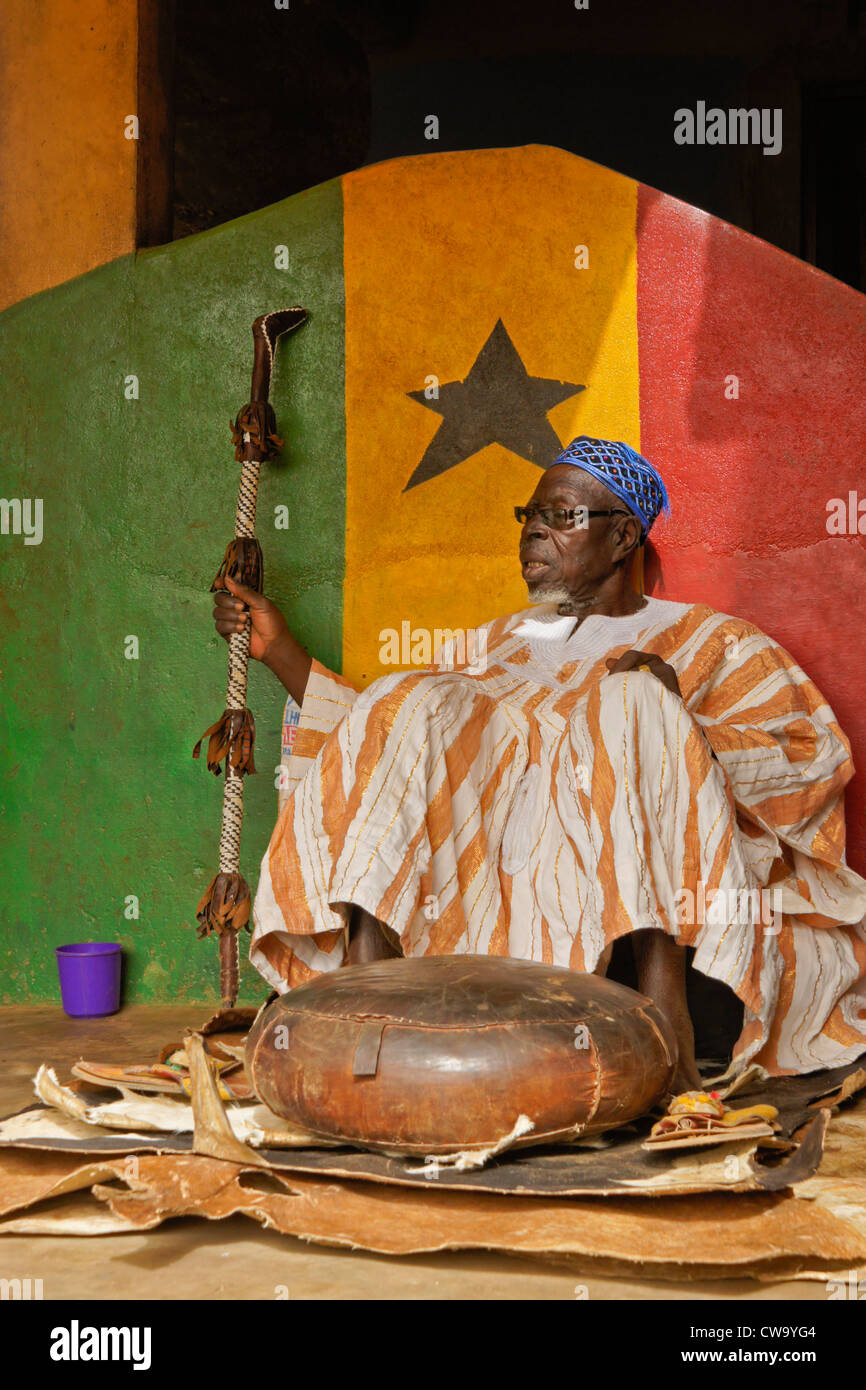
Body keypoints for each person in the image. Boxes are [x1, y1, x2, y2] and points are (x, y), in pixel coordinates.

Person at [213, 436, 866, 1086]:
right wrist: (281, 650)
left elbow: (806, 763)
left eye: (560, 516)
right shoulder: (497, 646)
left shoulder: (715, 642)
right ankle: (366, 992)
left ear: (623, 538)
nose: (533, 533)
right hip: (485, 893)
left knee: (632, 698)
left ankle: (667, 1026)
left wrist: (677, 717)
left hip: (641, 914)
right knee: (408, 692)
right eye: (528, 517)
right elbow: (386, 738)